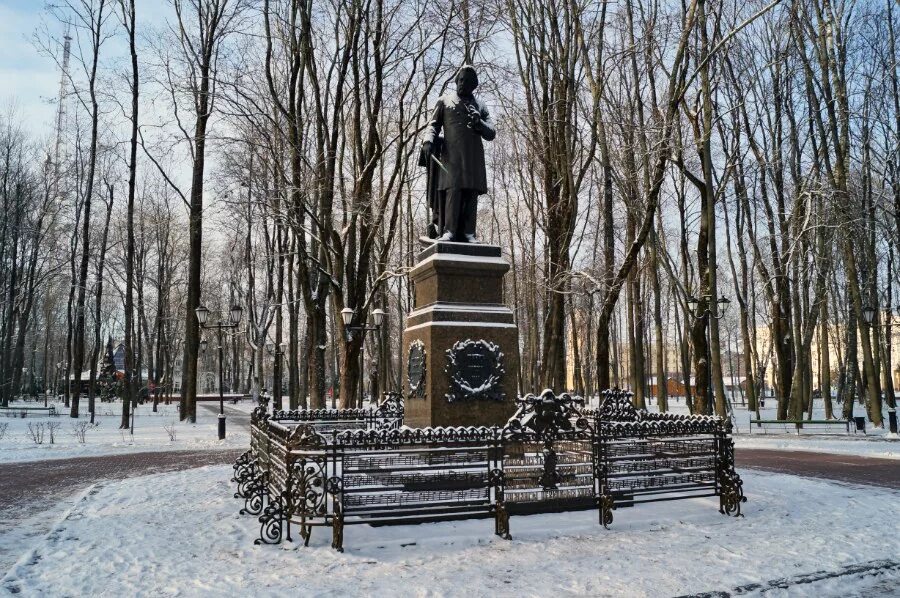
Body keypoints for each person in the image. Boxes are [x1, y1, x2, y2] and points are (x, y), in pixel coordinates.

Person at [420, 65, 495, 242]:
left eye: (467, 81)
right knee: (453, 190)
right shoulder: (444, 101)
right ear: (456, 81)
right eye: (460, 80)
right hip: (451, 157)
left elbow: (491, 133)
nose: (462, 83)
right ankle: (449, 231)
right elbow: (433, 125)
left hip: (473, 157)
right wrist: (428, 141)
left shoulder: (480, 106)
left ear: (473, 85)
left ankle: (469, 233)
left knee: (471, 192)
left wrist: (479, 123)